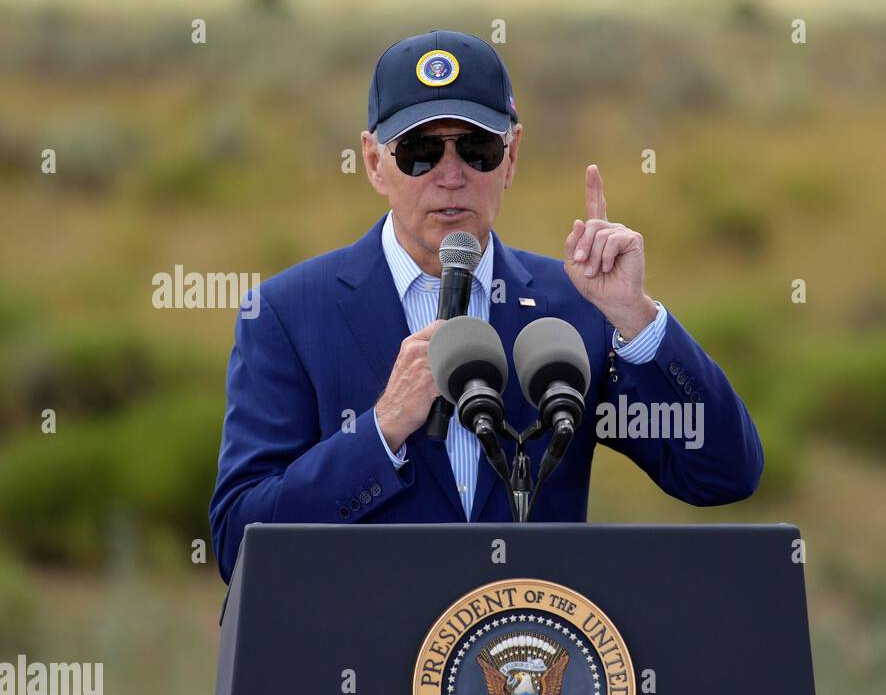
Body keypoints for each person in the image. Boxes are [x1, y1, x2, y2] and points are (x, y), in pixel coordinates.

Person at [208, 29, 763, 584]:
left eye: (478, 150)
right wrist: (380, 432)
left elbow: (722, 474)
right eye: (420, 153)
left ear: (512, 157)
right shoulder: (288, 314)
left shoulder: (574, 306)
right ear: (375, 162)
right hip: (363, 665)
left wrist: (635, 318)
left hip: (535, 665)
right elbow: (240, 542)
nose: (452, 177)